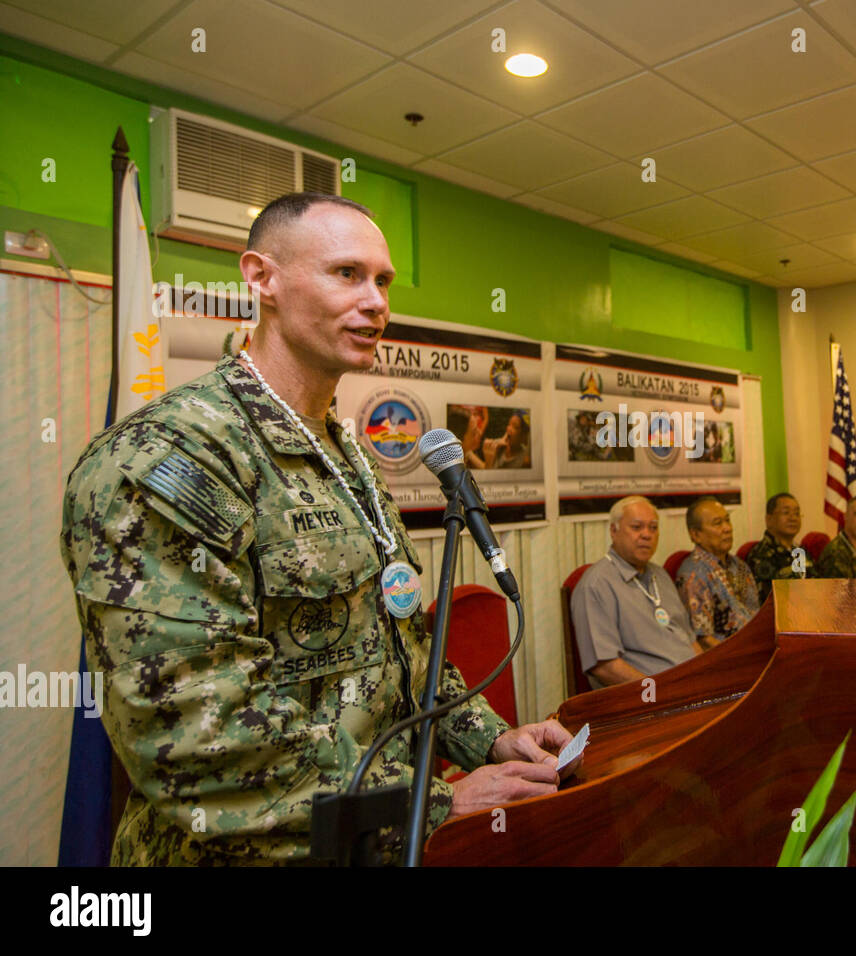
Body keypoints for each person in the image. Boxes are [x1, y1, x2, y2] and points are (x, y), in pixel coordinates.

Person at [60, 192, 574, 866]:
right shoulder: (170, 456)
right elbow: (196, 737)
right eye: (346, 274)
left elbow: (403, 654)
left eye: (383, 281)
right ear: (261, 277)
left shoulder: (345, 453)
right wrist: (432, 804)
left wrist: (490, 742)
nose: (375, 302)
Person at [570, 496, 701, 687]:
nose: (646, 535)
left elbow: (690, 641)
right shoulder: (596, 585)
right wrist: (658, 692)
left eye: (653, 528)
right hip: (648, 695)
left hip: (691, 685)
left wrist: (706, 676)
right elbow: (605, 668)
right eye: (637, 527)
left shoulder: (660, 575)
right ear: (613, 531)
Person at [674, 497, 760, 646]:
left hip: (754, 645)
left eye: (727, 520)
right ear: (696, 535)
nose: (727, 528)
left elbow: (756, 614)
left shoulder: (739, 565)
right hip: (726, 653)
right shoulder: (693, 575)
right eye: (717, 523)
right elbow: (703, 639)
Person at [745, 492, 805, 604]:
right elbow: (768, 602)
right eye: (786, 512)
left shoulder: (799, 551)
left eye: (797, 513)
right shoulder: (761, 555)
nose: (793, 518)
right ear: (769, 519)